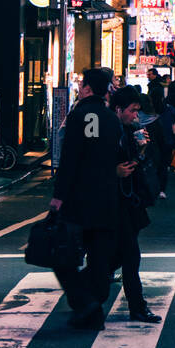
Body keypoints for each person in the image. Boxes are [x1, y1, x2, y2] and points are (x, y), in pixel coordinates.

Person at [49, 68, 121, 331]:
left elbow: (69, 160)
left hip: (79, 198)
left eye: (81, 86)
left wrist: (58, 196)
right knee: (99, 257)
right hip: (107, 197)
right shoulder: (112, 118)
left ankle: (83, 303)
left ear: (88, 89)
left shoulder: (78, 116)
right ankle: (94, 310)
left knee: (61, 254)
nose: (79, 89)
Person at [109, 86, 161, 322]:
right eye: (132, 110)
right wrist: (114, 172)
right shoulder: (108, 130)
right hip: (114, 202)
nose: (135, 115)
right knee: (129, 255)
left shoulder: (130, 130)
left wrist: (141, 150)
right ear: (118, 109)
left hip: (130, 201)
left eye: (137, 111)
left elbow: (136, 164)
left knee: (118, 256)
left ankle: (83, 289)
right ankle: (137, 306)